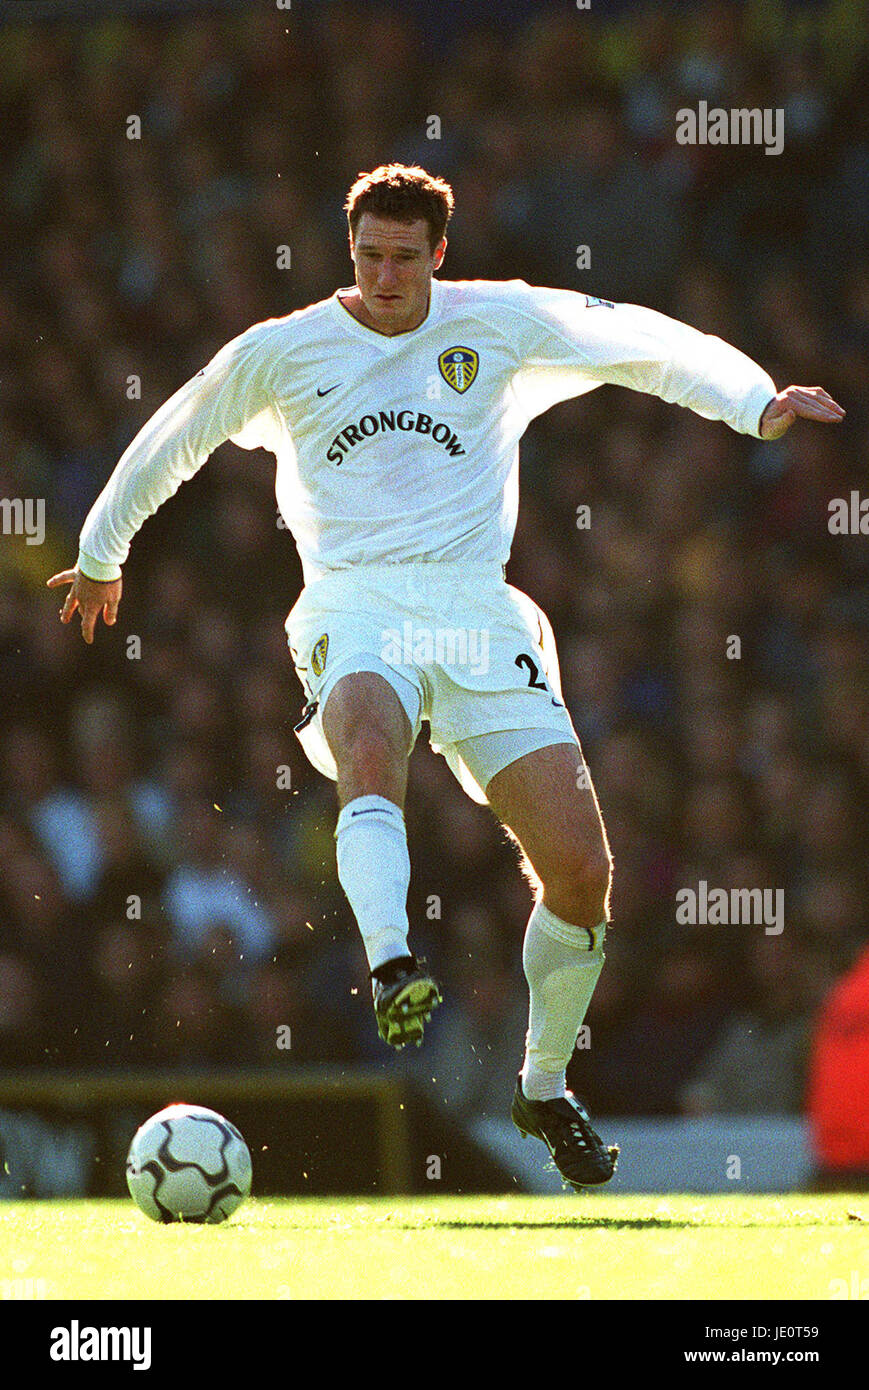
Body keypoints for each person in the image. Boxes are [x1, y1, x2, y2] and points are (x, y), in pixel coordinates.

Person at [48, 163, 844, 1190]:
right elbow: (178, 432)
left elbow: (630, 338)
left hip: (475, 607)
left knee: (580, 871)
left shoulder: (497, 323)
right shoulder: (284, 352)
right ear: (349, 251)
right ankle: (391, 961)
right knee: (368, 746)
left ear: (439, 255)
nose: (383, 275)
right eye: (367, 255)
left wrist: (748, 399)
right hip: (351, 600)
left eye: (403, 257)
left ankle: (542, 1084)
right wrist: (104, 551)